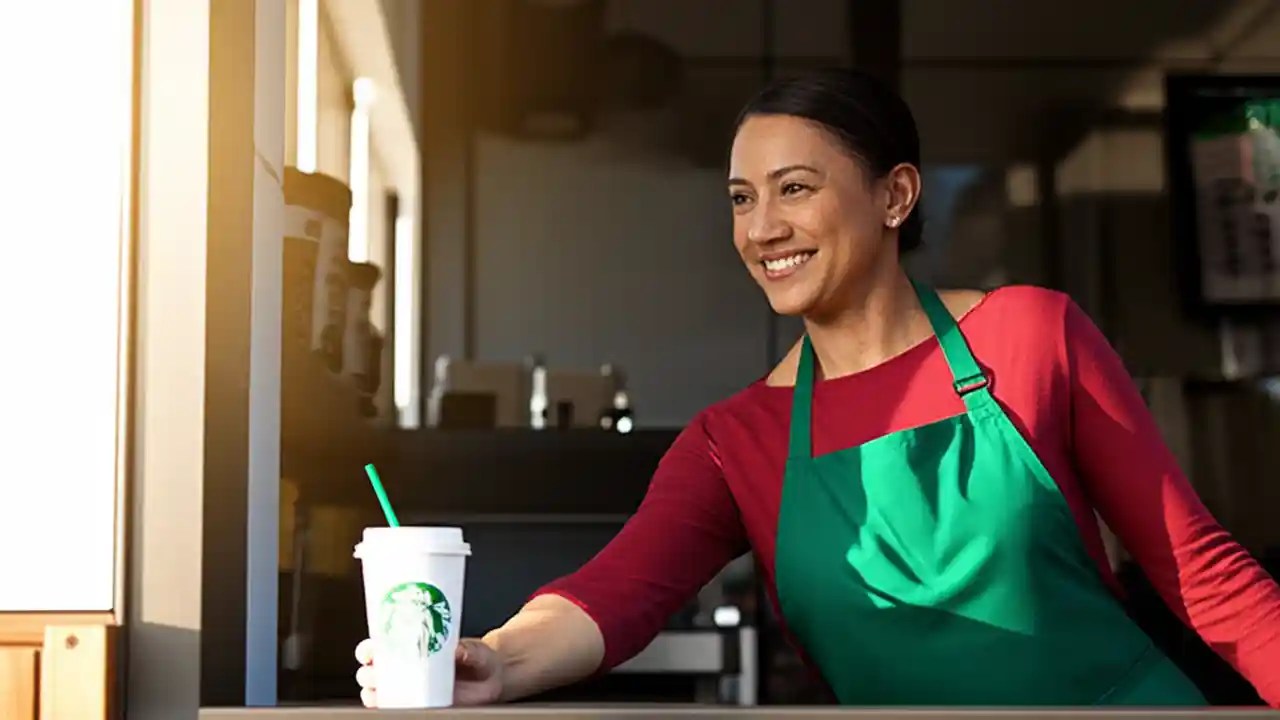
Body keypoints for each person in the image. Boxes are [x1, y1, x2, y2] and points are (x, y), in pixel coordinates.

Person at [356, 68, 1280, 707]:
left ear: (895, 196)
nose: (762, 227)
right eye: (741, 198)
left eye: (793, 188)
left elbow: (1204, 575)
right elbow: (613, 593)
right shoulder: (737, 440)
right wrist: (495, 663)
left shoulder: (1033, 338)